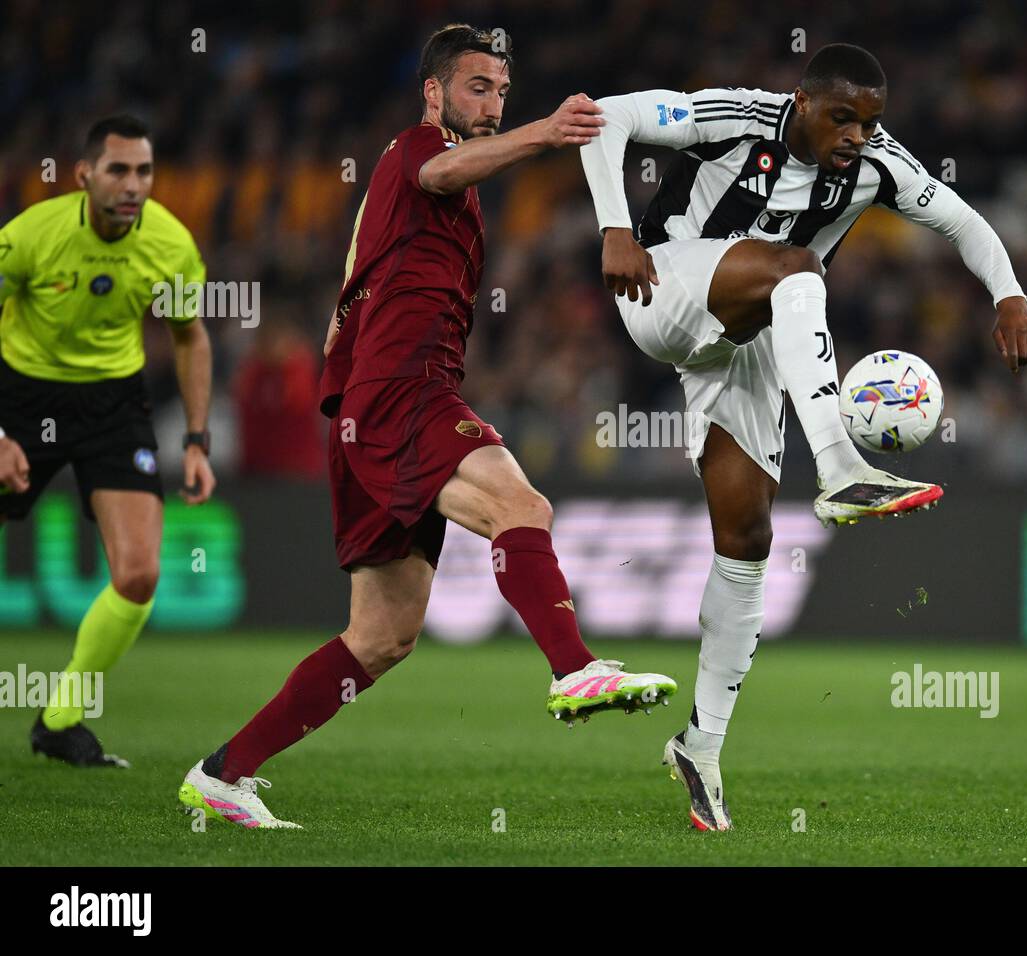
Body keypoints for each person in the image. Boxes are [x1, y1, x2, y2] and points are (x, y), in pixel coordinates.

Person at [178, 25, 676, 830]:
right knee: (525, 508)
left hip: (371, 404)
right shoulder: (418, 148)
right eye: (478, 87)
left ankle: (223, 773)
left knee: (381, 636)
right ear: (435, 92)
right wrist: (546, 131)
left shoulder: (436, 192)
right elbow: (444, 167)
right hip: (400, 395)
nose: (492, 104)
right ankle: (575, 669)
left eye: (503, 92)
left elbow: (370, 271)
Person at [579, 43, 1027, 829]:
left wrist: (1009, 296)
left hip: (745, 332)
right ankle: (840, 466)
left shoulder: (879, 164)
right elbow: (604, 118)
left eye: (870, 121)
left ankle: (701, 744)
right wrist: (614, 228)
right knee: (800, 267)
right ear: (802, 102)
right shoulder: (737, 115)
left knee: (747, 537)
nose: (858, 134)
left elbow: (965, 222)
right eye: (843, 116)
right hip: (659, 285)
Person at [0, 115, 215, 767]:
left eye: (144, 171)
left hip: (112, 405)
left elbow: (189, 336)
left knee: (140, 572)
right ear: (84, 175)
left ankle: (60, 718)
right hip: (19, 392)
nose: (133, 185)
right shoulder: (30, 235)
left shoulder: (170, 245)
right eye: (118, 170)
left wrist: (198, 439)